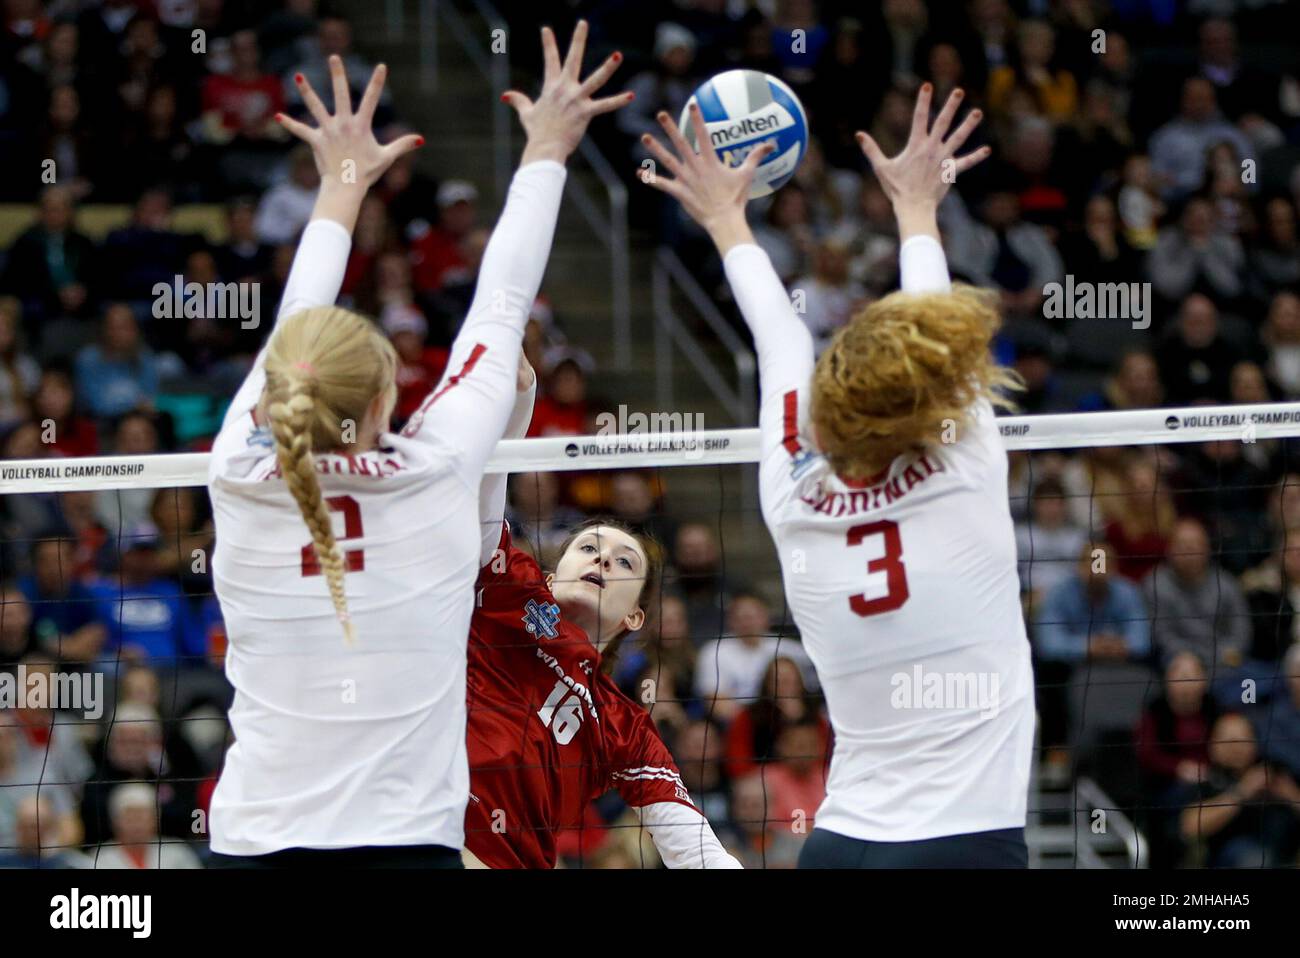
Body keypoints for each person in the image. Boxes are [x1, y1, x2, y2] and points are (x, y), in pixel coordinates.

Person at [207, 33, 626, 868]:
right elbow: (502, 311)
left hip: (253, 847)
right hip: (402, 848)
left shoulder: (237, 470)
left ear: (281, 391)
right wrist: (548, 148)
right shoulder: (436, 471)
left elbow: (294, 327)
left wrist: (341, 184)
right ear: (386, 399)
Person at [642, 82, 1034, 867]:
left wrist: (724, 219)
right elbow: (930, 339)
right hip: (958, 847)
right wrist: (918, 207)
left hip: (838, 845)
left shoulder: (795, 490)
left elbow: (780, 341)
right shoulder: (961, 461)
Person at [465, 333, 738, 866]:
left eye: (624, 563)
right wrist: (522, 398)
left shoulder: (622, 723)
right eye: (589, 547)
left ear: (636, 614)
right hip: (423, 832)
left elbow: (688, 839)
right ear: (549, 576)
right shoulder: (506, 589)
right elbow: (481, 490)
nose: (603, 561)